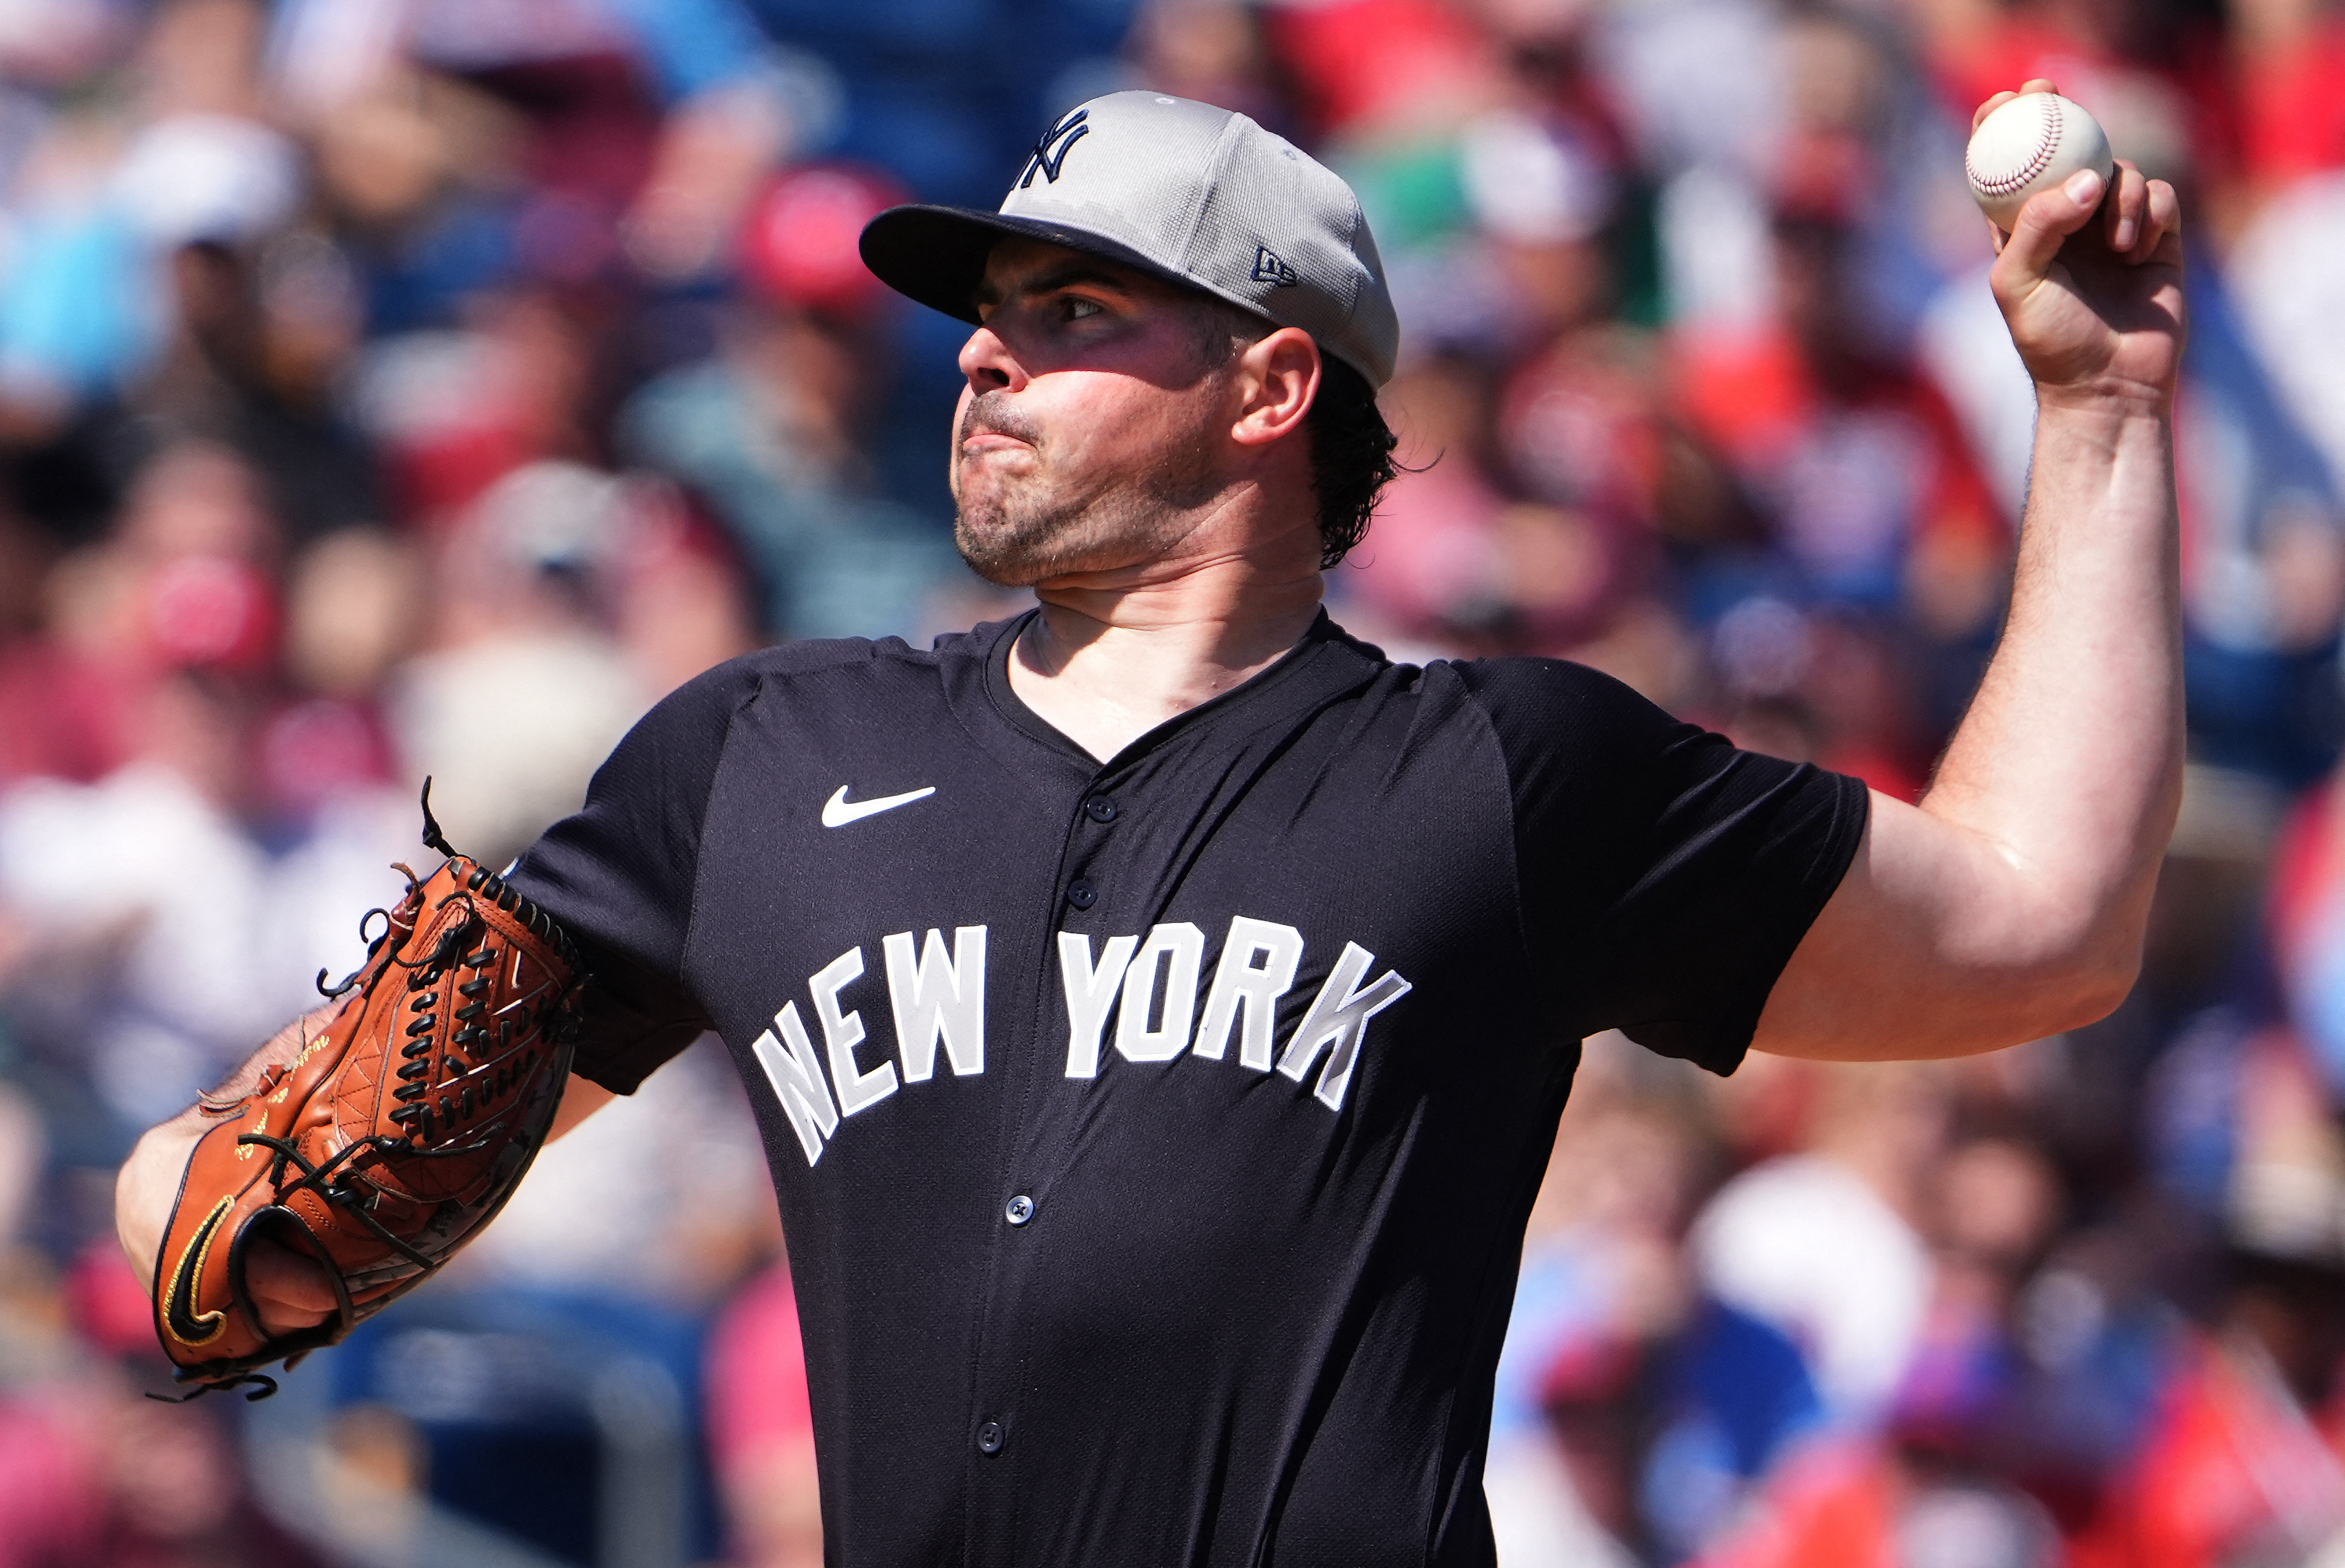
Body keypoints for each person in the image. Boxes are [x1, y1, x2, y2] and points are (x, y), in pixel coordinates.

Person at [116, 83, 2182, 1567]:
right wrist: (201, 1208)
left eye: (1076, 314)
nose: (984, 359)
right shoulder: (752, 762)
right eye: (986, 309)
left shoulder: (1504, 775)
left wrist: (2095, 419)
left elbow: (2045, 920)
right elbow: (250, 1222)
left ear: (1274, 389)